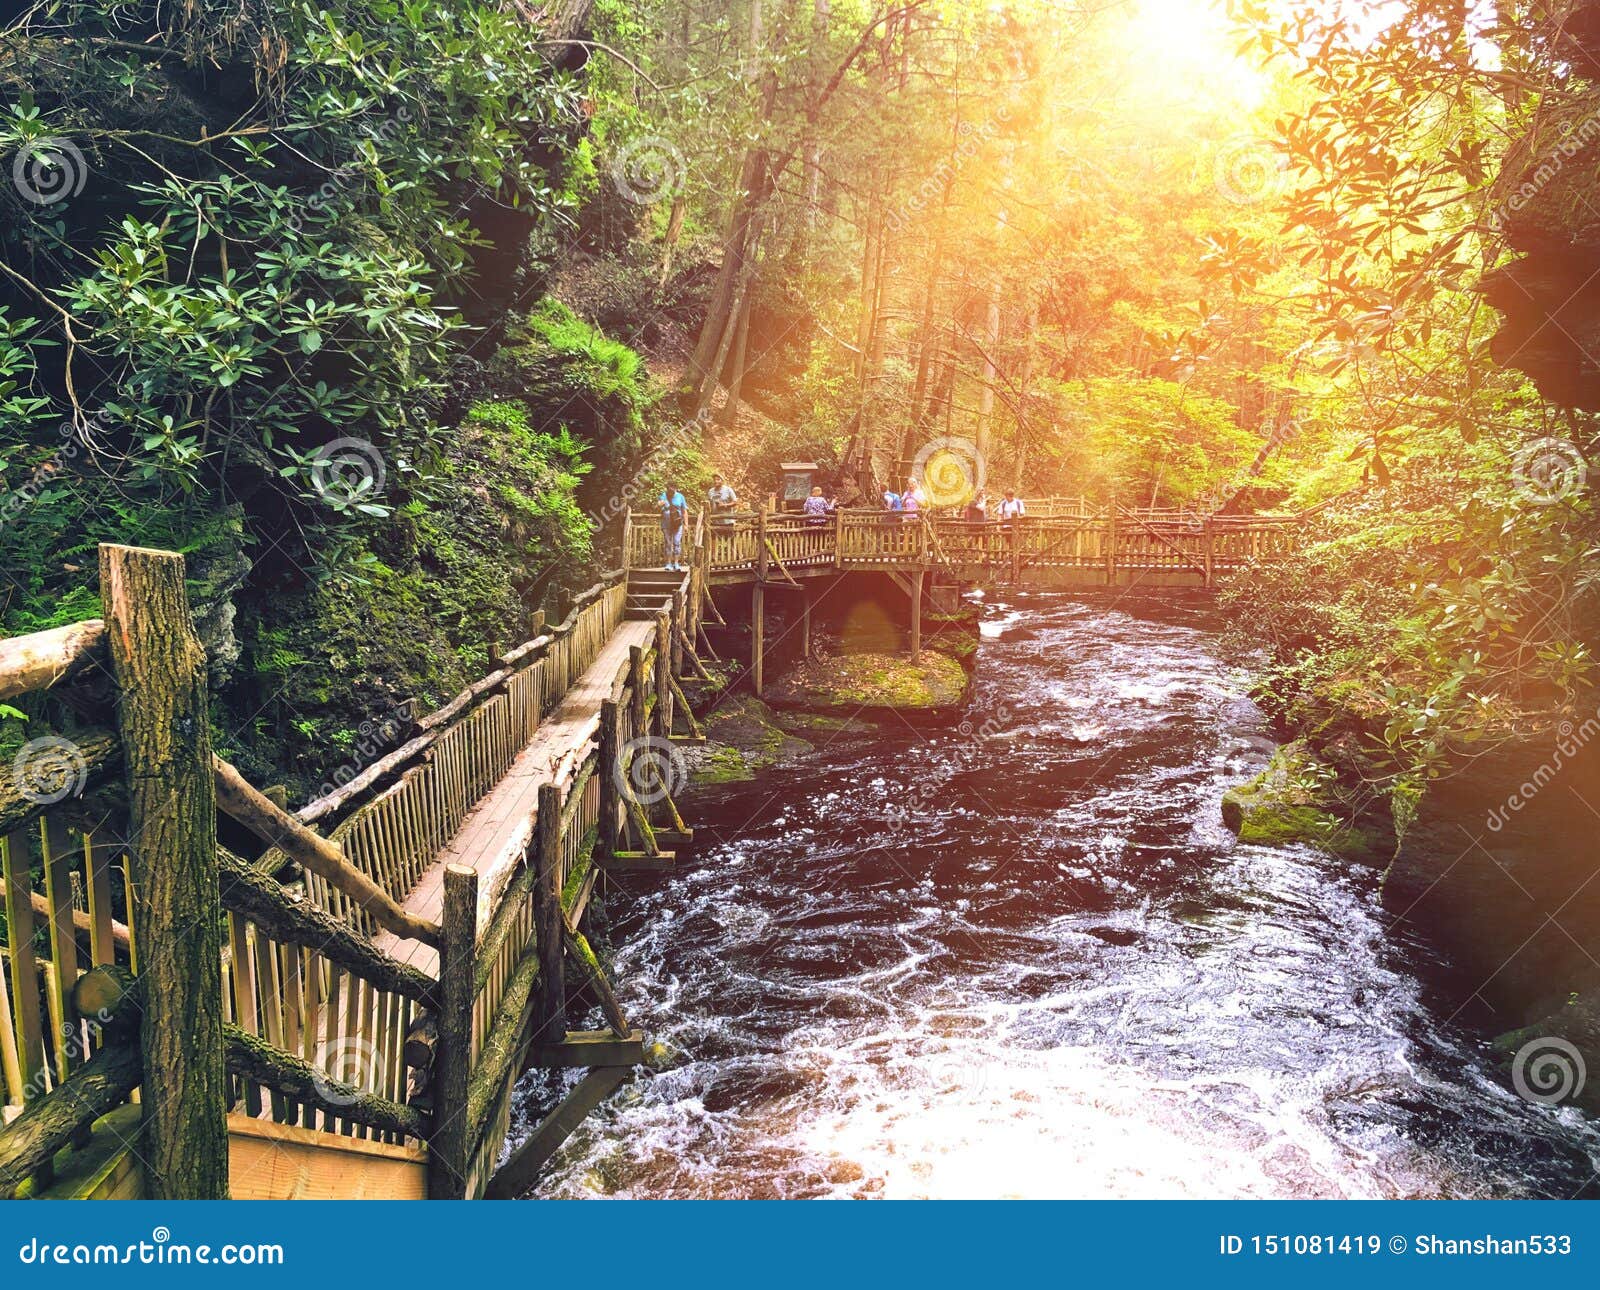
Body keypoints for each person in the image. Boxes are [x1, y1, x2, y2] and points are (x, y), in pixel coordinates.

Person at [659, 482, 687, 571]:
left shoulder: (680, 496)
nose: (671, 491)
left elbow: (684, 511)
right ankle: (668, 564)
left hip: (677, 523)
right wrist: (660, 504)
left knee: (677, 542)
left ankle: (676, 563)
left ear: (676, 488)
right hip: (666, 523)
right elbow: (658, 506)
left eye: (673, 489)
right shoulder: (663, 495)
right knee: (668, 543)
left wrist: (686, 524)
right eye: (669, 489)